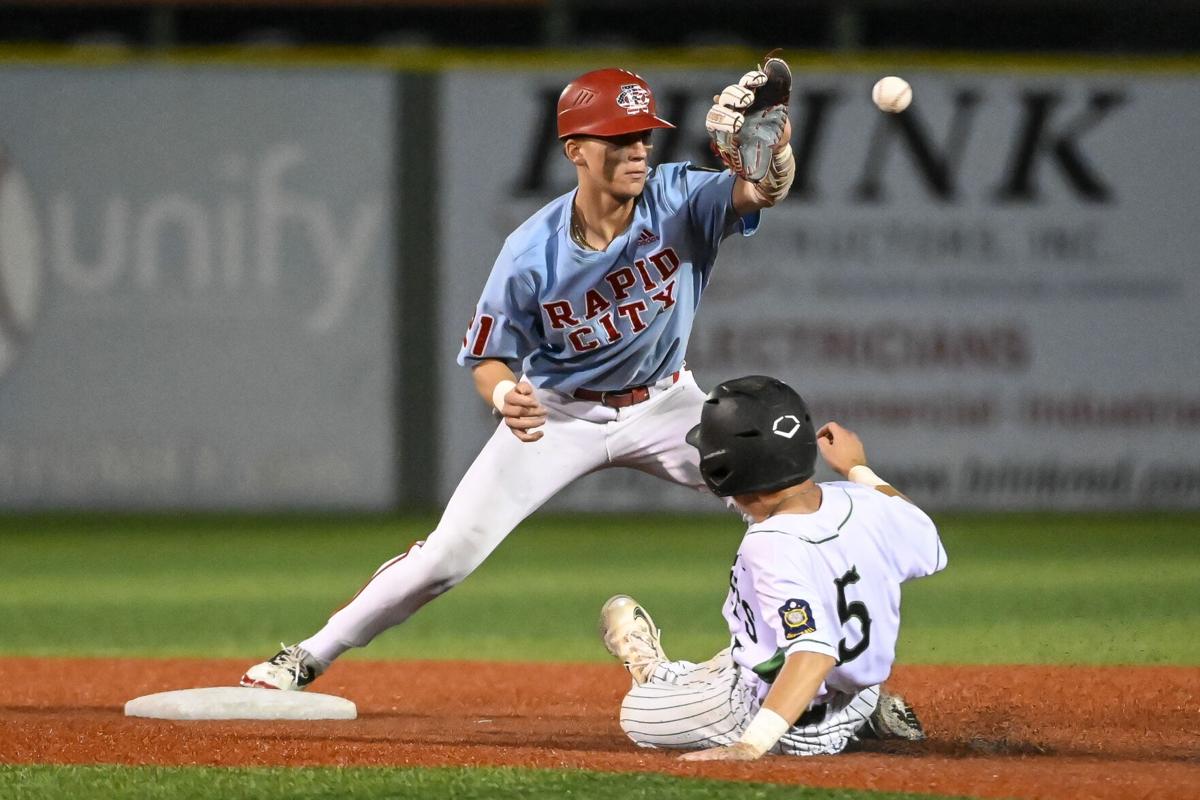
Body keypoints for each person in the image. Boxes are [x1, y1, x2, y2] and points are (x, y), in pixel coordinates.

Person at [240, 62, 798, 690]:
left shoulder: (678, 197)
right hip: (559, 414)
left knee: (779, 497)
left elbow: (760, 191)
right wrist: (506, 393)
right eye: (619, 139)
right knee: (447, 556)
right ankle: (309, 654)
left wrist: (773, 151)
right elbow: (487, 357)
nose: (638, 151)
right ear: (576, 150)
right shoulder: (531, 252)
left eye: (644, 136)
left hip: (665, 403)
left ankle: (821, 673)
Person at [599, 375, 948, 759]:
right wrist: (857, 469)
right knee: (756, 643)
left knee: (636, 714)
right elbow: (926, 537)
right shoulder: (862, 501)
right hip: (855, 700)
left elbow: (813, 654)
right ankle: (863, 718)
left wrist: (751, 745)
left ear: (722, 468)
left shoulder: (770, 542)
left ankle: (655, 675)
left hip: (776, 717)